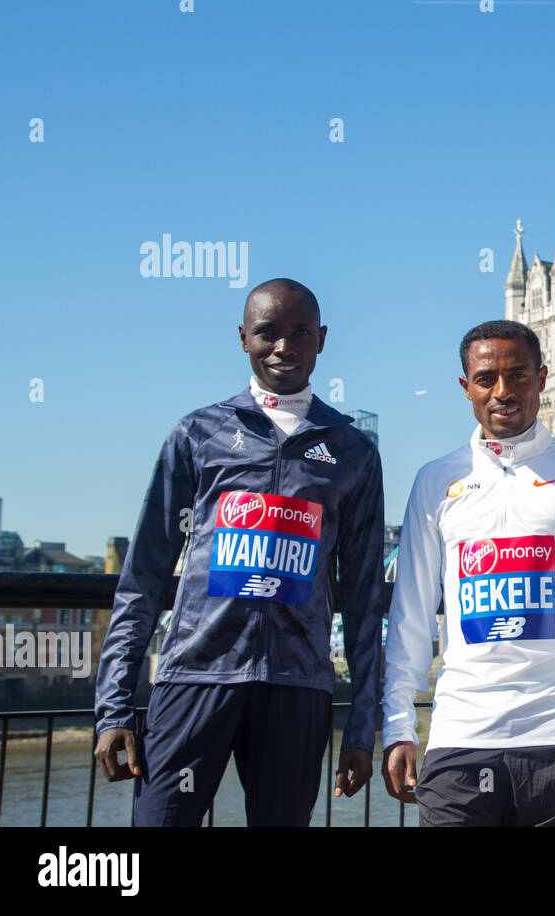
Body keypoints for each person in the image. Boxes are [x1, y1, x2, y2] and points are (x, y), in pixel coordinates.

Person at [93, 278, 385, 826]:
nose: (284, 346)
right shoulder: (195, 434)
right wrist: (113, 710)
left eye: (300, 332)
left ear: (322, 339)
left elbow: (365, 600)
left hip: (297, 687)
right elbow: (144, 578)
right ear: (243, 338)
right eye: (267, 332)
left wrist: (361, 729)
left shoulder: (353, 452)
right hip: (193, 677)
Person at [380, 320, 555, 826]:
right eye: (486, 379)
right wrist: (398, 725)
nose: (502, 392)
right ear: (466, 387)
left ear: (542, 378)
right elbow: (410, 616)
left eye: (518, 376)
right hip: (460, 736)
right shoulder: (435, 481)